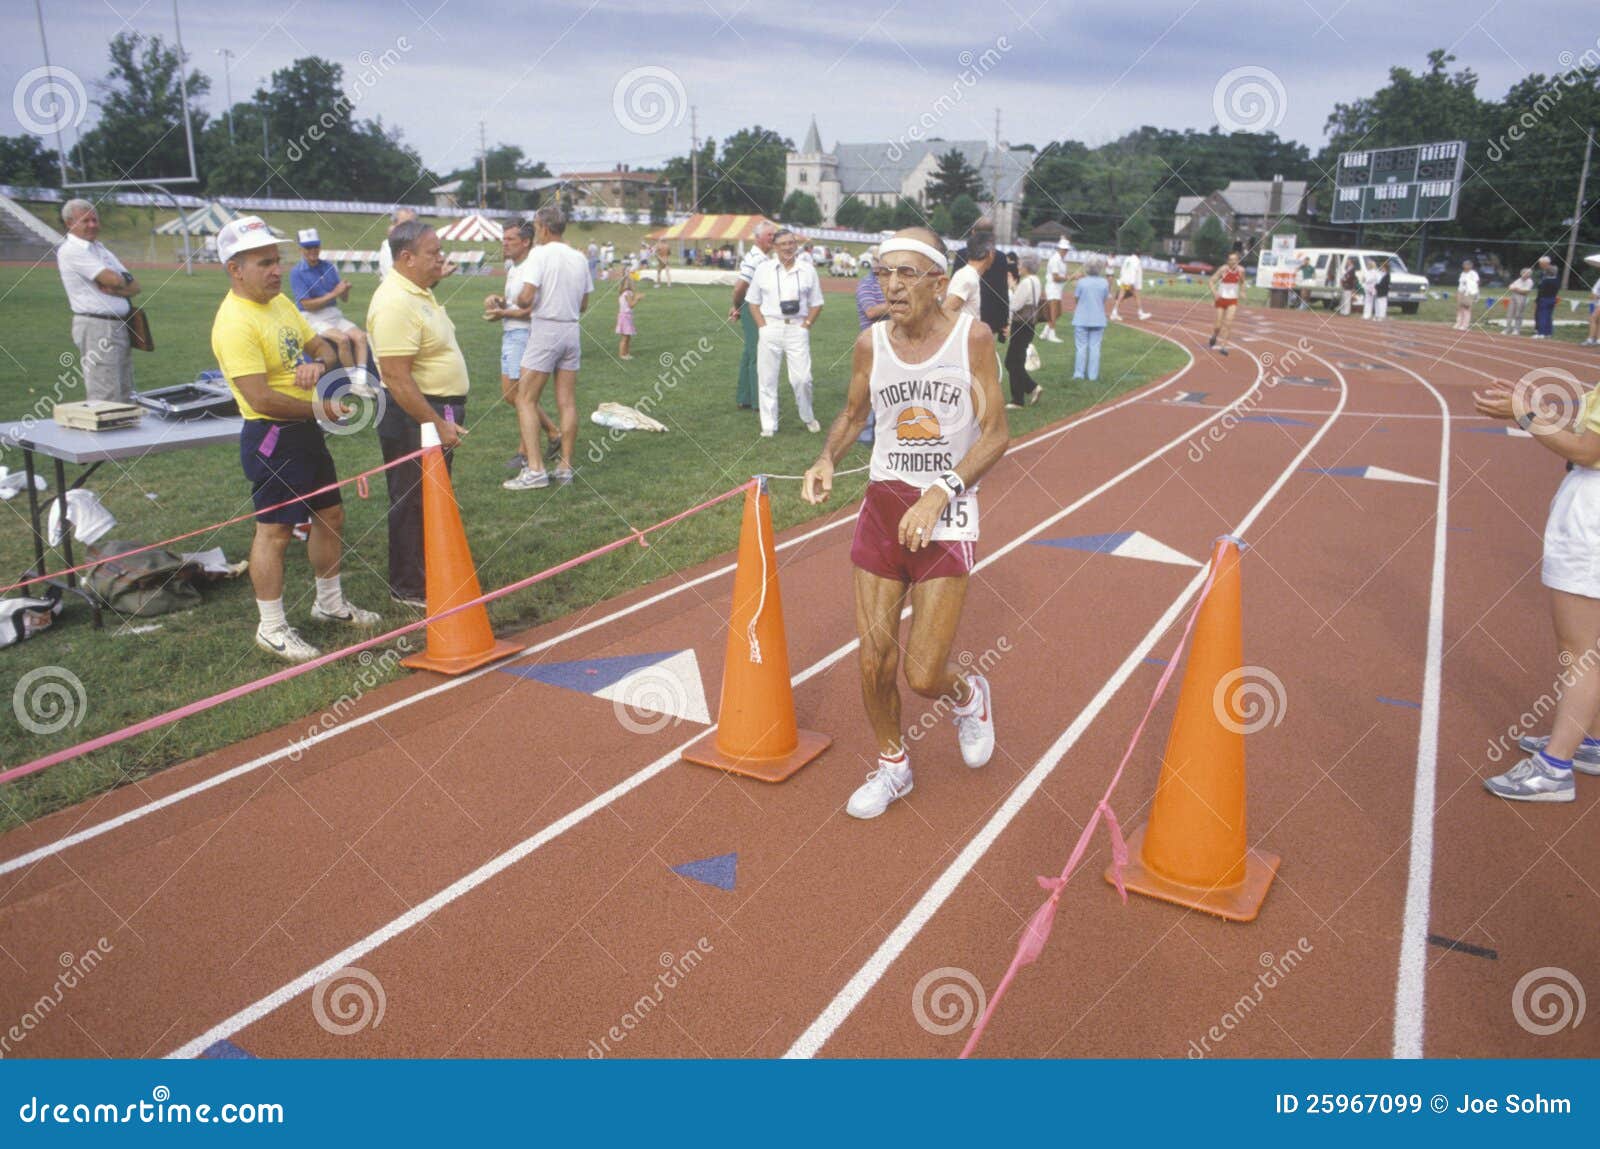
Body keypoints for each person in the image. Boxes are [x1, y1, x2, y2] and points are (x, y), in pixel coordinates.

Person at [800, 226, 1007, 820]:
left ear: (939, 282)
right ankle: (894, 766)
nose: (890, 284)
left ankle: (967, 696)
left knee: (921, 674)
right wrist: (825, 458)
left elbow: (996, 433)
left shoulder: (974, 339)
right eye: (882, 270)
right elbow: (851, 411)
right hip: (884, 508)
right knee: (873, 660)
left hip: (946, 511)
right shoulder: (872, 344)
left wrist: (940, 493)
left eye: (906, 273)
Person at [209, 215, 380, 662]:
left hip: (305, 430)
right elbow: (260, 398)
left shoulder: (280, 303)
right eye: (264, 262)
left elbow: (322, 347)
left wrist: (318, 368)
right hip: (271, 437)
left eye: (276, 260)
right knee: (276, 530)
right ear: (235, 269)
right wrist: (320, 408)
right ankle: (271, 627)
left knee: (331, 514)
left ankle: (330, 605)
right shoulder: (234, 323)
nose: (275, 269)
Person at [1474, 375, 1600, 802]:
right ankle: (1591, 741)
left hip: (1593, 519)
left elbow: (1588, 448)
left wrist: (1524, 414)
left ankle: (1554, 768)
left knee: (1580, 650)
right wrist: (1531, 408)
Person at [367, 219, 471, 608]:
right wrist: (437, 423)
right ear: (407, 258)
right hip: (414, 414)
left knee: (432, 496)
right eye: (433, 253)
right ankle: (409, 587)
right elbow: (395, 376)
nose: (440, 260)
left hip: (432, 410)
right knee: (411, 498)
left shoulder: (416, 291)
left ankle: (431, 571)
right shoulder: (395, 301)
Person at [506, 205, 593, 489]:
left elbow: (525, 298)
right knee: (566, 402)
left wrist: (517, 300)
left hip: (546, 329)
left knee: (524, 398)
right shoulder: (579, 258)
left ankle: (535, 470)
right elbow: (583, 304)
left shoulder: (539, 254)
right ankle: (565, 467)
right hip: (572, 329)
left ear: (543, 227)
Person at [483, 219, 560, 472]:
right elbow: (517, 303)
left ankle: (526, 452)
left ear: (525, 242)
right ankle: (552, 432)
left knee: (520, 396)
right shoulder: (513, 266)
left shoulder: (531, 268)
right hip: (511, 334)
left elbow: (532, 311)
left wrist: (503, 314)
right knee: (513, 395)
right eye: (503, 239)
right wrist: (500, 301)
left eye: (510, 240)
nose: (504, 244)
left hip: (524, 334)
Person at [55, 198, 139, 402]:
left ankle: (126, 433)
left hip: (119, 325)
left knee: (125, 390)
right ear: (69, 223)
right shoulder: (72, 250)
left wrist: (117, 286)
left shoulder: (100, 250)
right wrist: (117, 282)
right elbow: (111, 278)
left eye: (95, 220)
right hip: (97, 327)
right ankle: (107, 433)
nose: (92, 225)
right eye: (85, 221)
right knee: (106, 393)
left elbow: (135, 286)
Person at [746, 228, 824, 437]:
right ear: (774, 247)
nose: (788, 247)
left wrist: (806, 324)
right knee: (767, 379)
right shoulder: (764, 269)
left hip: (797, 328)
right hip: (771, 327)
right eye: (783, 244)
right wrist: (762, 326)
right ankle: (769, 425)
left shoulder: (808, 270)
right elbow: (752, 301)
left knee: (802, 379)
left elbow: (817, 303)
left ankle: (807, 416)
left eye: (791, 243)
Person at [289, 228, 376, 398]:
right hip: (312, 317)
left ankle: (360, 382)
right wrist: (335, 293)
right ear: (301, 250)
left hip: (332, 313)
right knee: (342, 339)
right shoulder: (297, 272)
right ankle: (354, 383)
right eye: (308, 248)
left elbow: (343, 299)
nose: (312, 251)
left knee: (361, 337)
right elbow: (307, 305)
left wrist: (344, 290)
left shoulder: (328, 266)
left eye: (315, 247)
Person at [728, 221, 777, 410]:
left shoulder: (760, 257)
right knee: (759, 353)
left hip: (753, 306)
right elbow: (740, 287)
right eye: (769, 235)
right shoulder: (756, 259)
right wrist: (737, 305)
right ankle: (758, 400)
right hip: (754, 308)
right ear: (757, 238)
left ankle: (745, 397)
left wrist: (737, 305)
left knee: (750, 352)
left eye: (773, 235)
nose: (772, 238)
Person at [1005, 252, 1043, 408]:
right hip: (1029, 324)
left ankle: (1023, 395)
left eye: (1020, 264)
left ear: (1027, 266)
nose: (1018, 267)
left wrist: (1012, 288)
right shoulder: (1036, 281)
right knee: (1016, 361)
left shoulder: (1026, 283)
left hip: (1020, 324)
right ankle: (1026, 392)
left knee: (1012, 362)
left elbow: (1014, 305)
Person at [1072, 254, 1110, 380]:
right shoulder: (1104, 283)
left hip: (1081, 318)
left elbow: (1076, 298)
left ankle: (1079, 374)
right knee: (1095, 348)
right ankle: (1093, 375)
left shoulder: (1081, 282)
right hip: (1098, 318)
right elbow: (1104, 299)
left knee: (1081, 348)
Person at [1207, 250, 1246, 356]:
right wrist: (1215, 293)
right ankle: (1214, 336)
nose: (1233, 262)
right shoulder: (1223, 269)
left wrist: (1242, 291)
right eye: (1230, 260)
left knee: (1228, 323)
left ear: (1238, 261)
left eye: (1235, 260)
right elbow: (1211, 281)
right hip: (1221, 299)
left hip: (1232, 300)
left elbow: (1242, 282)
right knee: (1218, 326)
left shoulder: (1241, 270)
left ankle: (1223, 347)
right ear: (1227, 261)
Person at [1042, 236, 1071, 342]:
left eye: (1066, 249)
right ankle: (1052, 334)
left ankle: (1046, 331)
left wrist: (1071, 277)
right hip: (1052, 288)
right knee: (1054, 312)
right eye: (1063, 249)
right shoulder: (1055, 259)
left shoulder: (1062, 260)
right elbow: (1055, 277)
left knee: (1058, 313)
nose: (1065, 251)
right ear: (1059, 248)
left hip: (1058, 289)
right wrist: (1069, 278)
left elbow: (1063, 276)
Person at [1109, 248, 1150, 321]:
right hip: (1130, 281)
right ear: (1139, 255)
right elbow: (1133, 271)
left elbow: (1123, 269)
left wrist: (1122, 278)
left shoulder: (1127, 259)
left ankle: (1114, 312)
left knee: (1121, 296)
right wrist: (1132, 282)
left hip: (1124, 280)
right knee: (1136, 296)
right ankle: (1140, 313)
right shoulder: (1136, 261)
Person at [1533, 256, 1559, 339]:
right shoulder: (1557, 280)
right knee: (1549, 316)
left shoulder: (1545, 281)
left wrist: (1537, 300)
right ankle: (1549, 332)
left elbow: (1541, 291)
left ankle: (1541, 333)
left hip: (1544, 299)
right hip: (1553, 299)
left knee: (1542, 316)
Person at [1505, 267, 1533, 335]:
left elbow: (1525, 291)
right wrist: (1516, 289)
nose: (1525, 275)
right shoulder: (1518, 280)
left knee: (1518, 314)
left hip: (1522, 297)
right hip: (1513, 296)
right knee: (1510, 313)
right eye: (1524, 273)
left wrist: (1516, 289)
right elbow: (1510, 286)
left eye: (1527, 274)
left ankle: (1516, 330)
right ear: (1521, 274)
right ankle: (1507, 329)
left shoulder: (1530, 281)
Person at [616, 276, 639, 359]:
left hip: (623, 316)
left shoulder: (622, 293)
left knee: (627, 336)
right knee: (625, 337)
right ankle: (622, 354)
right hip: (626, 317)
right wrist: (637, 299)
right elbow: (631, 305)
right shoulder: (628, 293)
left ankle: (626, 353)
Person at [1455, 260, 1480, 331]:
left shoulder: (1473, 273)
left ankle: (1465, 324)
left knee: (1466, 308)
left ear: (1471, 266)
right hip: (1461, 291)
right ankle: (1459, 322)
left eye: (1468, 265)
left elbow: (1476, 283)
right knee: (1459, 308)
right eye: (1465, 264)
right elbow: (1460, 284)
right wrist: (1458, 292)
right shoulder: (1462, 273)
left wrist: (1476, 293)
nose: (1466, 266)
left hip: (1469, 292)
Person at [1584, 277, 1600, 347]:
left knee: (1593, 318)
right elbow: (1595, 289)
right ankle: (1598, 339)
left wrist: (1597, 296)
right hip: (1597, 302)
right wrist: (1594, 295)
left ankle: (1590, 339)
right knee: (1597, 320)